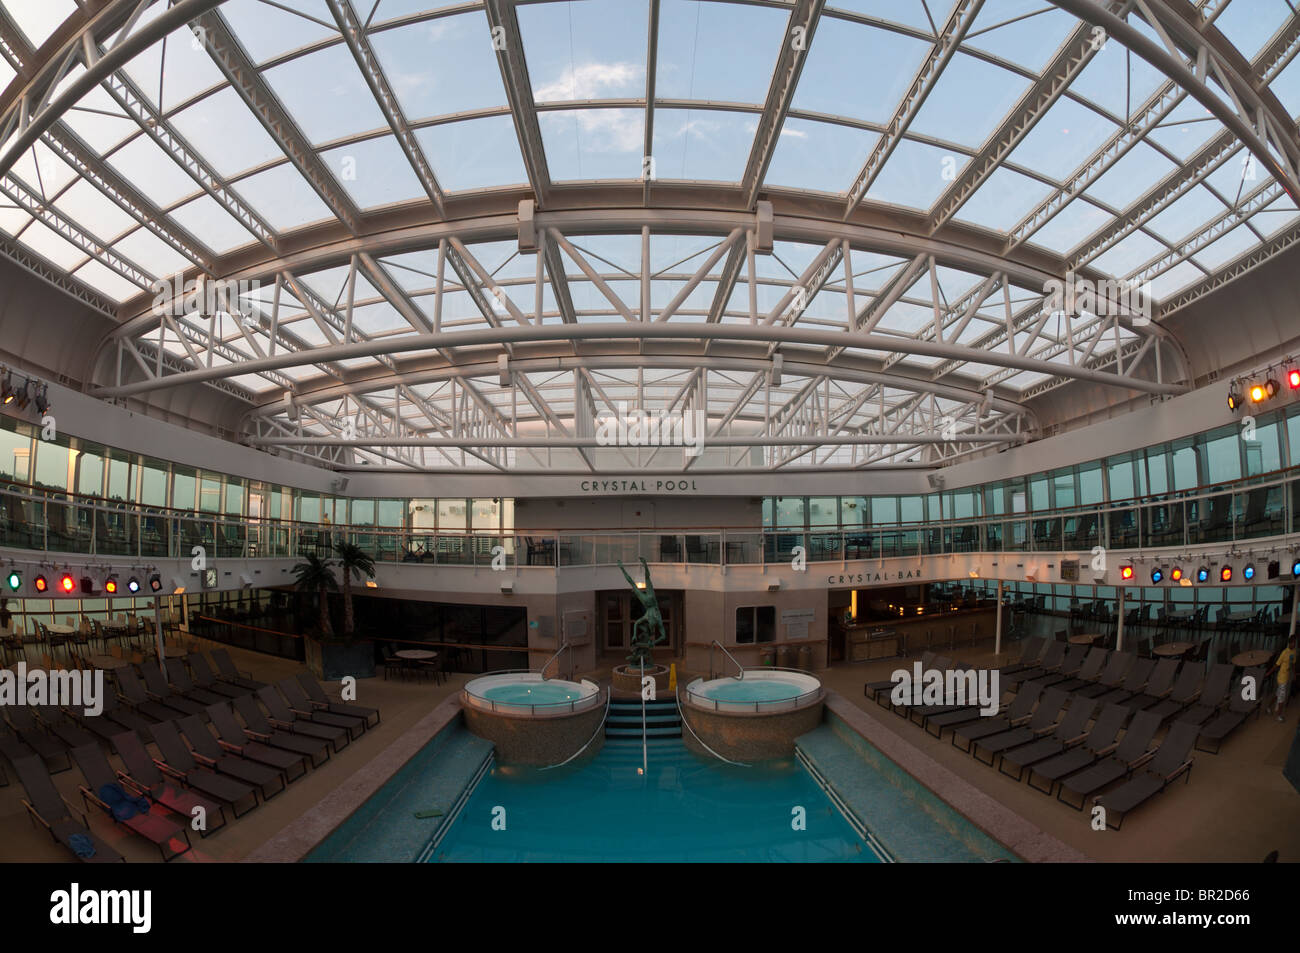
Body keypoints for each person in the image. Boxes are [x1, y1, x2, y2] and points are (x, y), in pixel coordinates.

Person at [1269, 635, 1296, 721]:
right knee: (1282, 697)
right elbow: (1277, 664)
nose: (1294, 645)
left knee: (1278, 694)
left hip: (1286, 677)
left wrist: (1294, 674)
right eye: (1293, 643)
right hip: (1281, 677)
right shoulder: (1284, 653)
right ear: (1290, 643)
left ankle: (1268, 707)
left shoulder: (1294, 652)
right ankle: (1279, 715)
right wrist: (1269, 673)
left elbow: (1293, 664)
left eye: (1295, 643)